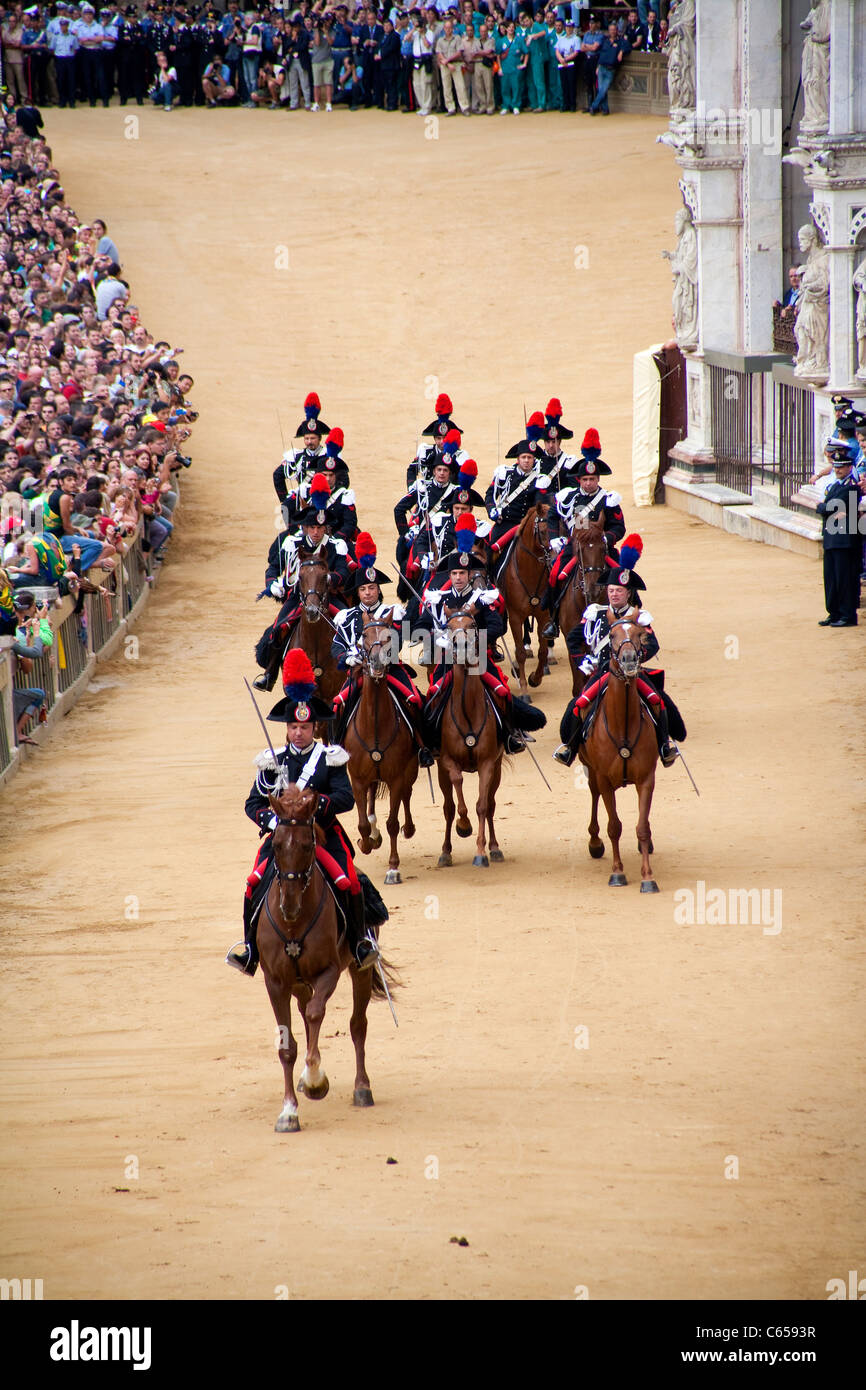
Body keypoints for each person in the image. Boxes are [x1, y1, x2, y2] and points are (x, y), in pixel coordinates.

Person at [225, 649, 387, 977]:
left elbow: (345, 798)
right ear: (287, 728)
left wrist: (317, 806)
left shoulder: (331, 758)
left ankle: (358, 944)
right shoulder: (273, 761)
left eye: (304, 726)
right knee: (253, 882)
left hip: (323, 836)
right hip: (283, 838)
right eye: (293, 727)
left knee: (349, 881)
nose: (298, 732)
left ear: (314, 727)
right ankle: (251, 950)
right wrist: (275, 820)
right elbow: (252, 804)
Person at [553, 537, 685, 768]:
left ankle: (664, 745)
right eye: (611, 590)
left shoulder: (639, 617)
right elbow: (574, 639)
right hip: (604, 672)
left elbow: (652, 644)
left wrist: (634, 659)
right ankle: (571, 748)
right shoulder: (595, 613)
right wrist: (582, 659)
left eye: (619, 591)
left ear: (628, 593)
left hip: (633, 673)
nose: (614, 595)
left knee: (657, 701)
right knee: (580, 703)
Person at [816, 445, 862, 627]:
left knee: (844, 578)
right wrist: (826, 509)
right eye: (835, 467)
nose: (837, 470)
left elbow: (833, 507)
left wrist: (824, 508)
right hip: (831, 538)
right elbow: (828, 508)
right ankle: (834, 612)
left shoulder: (851, 487)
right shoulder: (834, 485)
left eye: (841, 467)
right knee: (831, 579)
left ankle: (846, 614)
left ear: (849, 467)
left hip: (844, 539)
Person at [590, 20, 627, 115]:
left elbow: (628, 46)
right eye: (611, 30)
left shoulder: (620, 41)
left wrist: (622, 51)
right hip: (602, 67)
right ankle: (605, 109)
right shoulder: (604, 40)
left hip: (611, 69)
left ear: (617, 30)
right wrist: (598, 66)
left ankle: (594, 106)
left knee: (603, 89)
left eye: (614, 30)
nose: (612, 31)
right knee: (601, 89)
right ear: (608, 31)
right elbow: (600, 53)